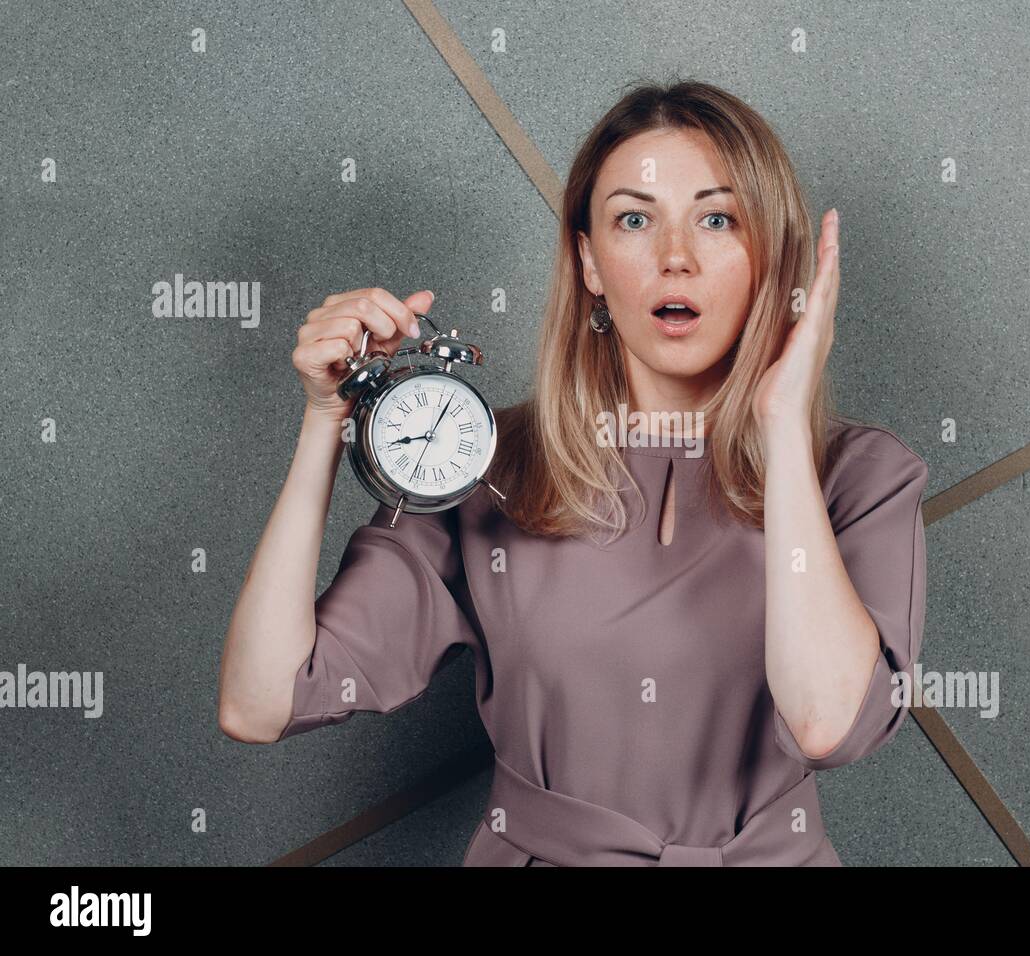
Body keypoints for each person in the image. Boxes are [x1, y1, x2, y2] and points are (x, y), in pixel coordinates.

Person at [217, 79, 929, 866]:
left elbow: (829, 724)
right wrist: (326, 420)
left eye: (718, 218)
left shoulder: (860, 476)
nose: (676, 258)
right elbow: (259, 702)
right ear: (589, 262)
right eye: (634, 219)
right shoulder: (490, 465)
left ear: (772, 258)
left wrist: (784, 428)